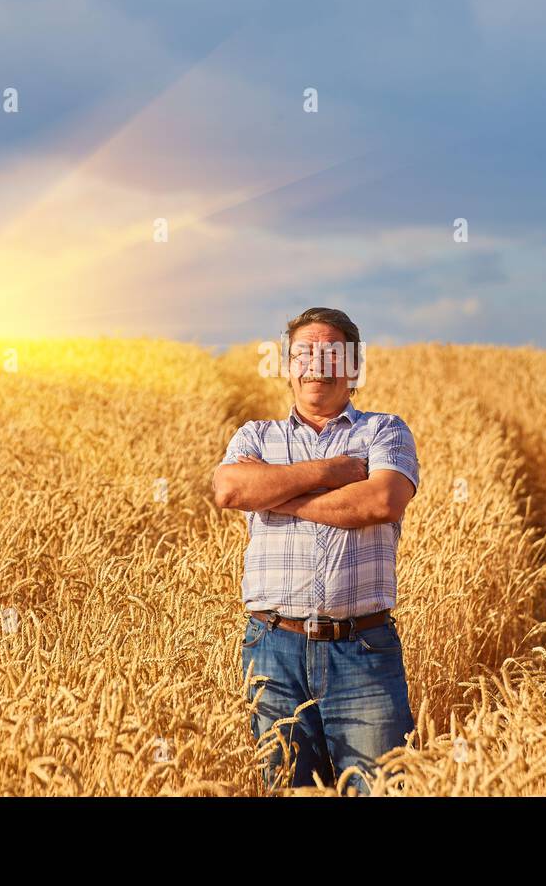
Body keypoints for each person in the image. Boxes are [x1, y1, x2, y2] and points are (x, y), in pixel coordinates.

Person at [213, 306, 420, 795]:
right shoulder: (256, 436)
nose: (315, 364)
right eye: (303, 353)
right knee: (284, 788)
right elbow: (228, 490)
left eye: (331, 353)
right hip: (272, 650)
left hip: (363, 651)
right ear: (288, 366)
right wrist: (331, 473)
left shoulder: (384, 431)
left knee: (381, 788)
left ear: (354, 368)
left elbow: (381, 500)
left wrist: (280, 496)